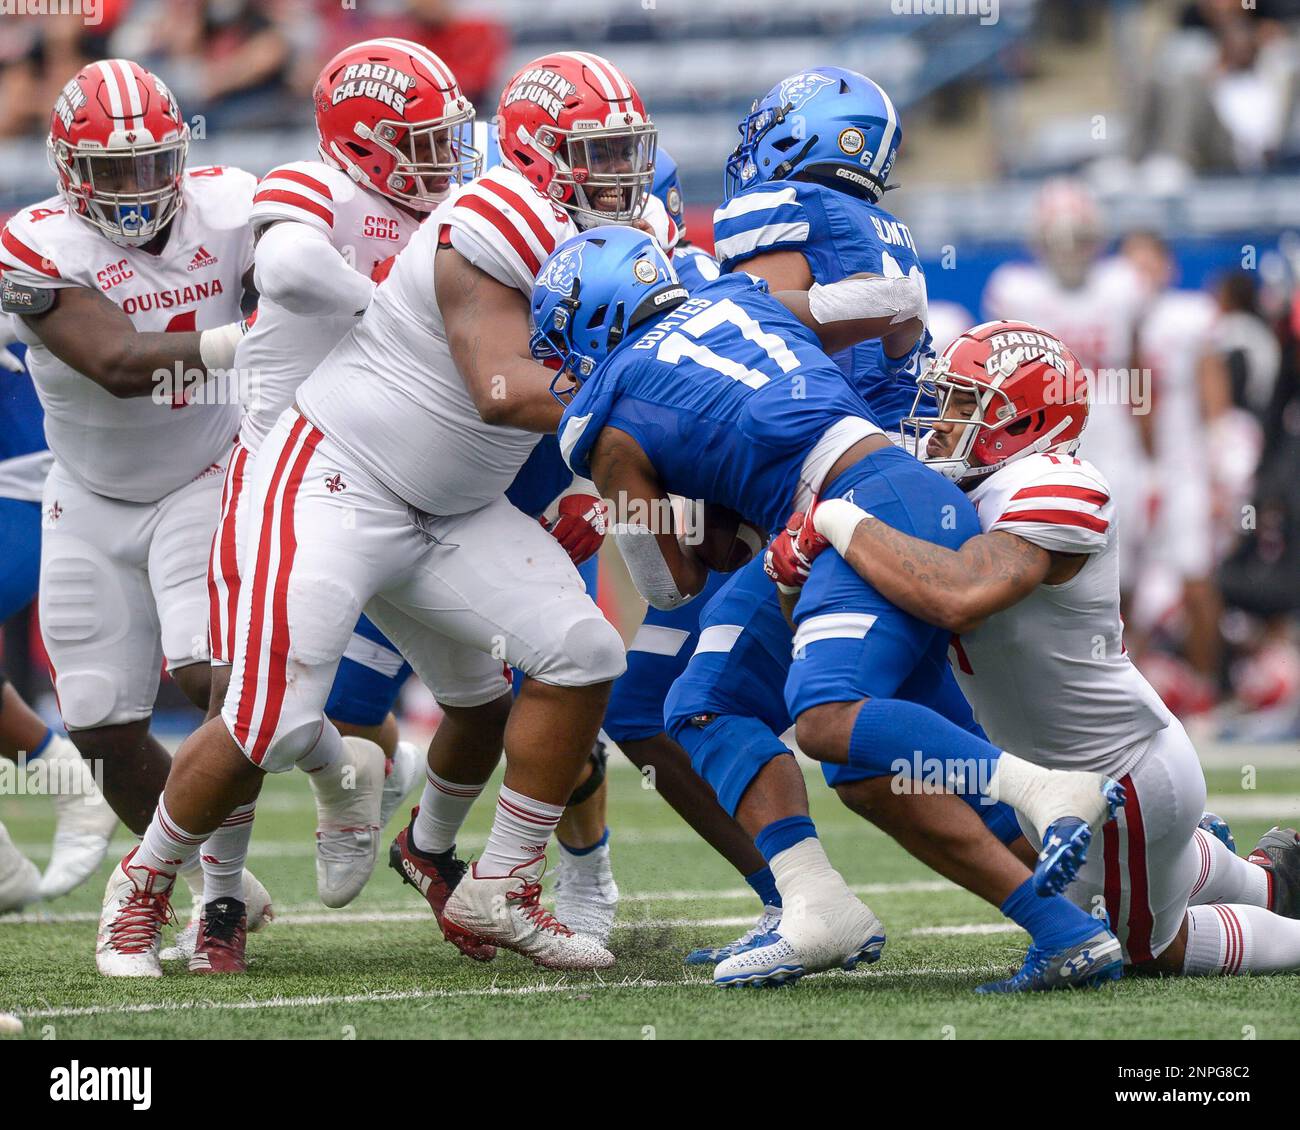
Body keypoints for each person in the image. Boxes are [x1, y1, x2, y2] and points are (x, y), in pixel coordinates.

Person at [94, 50, 666, 977]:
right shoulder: (494, 211)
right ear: (536, 152)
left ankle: (499, 883)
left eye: (624, 151)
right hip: (333, 478)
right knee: (270, 716)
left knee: (584, 653)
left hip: (455, 505)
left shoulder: (630, 225)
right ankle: (147, 886)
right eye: (593, 152)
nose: (616, 174)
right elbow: (494, 385)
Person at [531, 225, 1125, 992]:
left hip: (850, 512)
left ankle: (1045, 790)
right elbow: (890, 306)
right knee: (719, 708)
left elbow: (669, 585)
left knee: (826, 716)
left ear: (594, 323)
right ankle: (1049, 927)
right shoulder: (740, 300)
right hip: (865, 500)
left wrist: (648, 503)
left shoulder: (607, 428)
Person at [770, 318, 1300, 978]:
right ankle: (1271, 878)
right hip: (1054, 777)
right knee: (1128, 891)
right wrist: (796, 581)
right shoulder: (955, 493)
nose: (939, 422)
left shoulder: (1054, 484)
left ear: (1026, 420)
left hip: (1120, 771)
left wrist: (834, 519)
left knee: (1150, 952)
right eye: (944, 401)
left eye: (966, 404)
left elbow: (958, 594)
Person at [0, 60, 270, 928]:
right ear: (68, 170)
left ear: (182, 153)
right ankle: (206, 889)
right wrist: (257, 338)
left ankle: (225, 872)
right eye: (111, 171)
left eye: (151, 164)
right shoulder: (36, 242)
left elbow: (312, 284)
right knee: (99, 721)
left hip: (206, 467)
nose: (133, 187)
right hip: (85, 488)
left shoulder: (234, 204)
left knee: (207, 674)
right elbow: (117, 365)